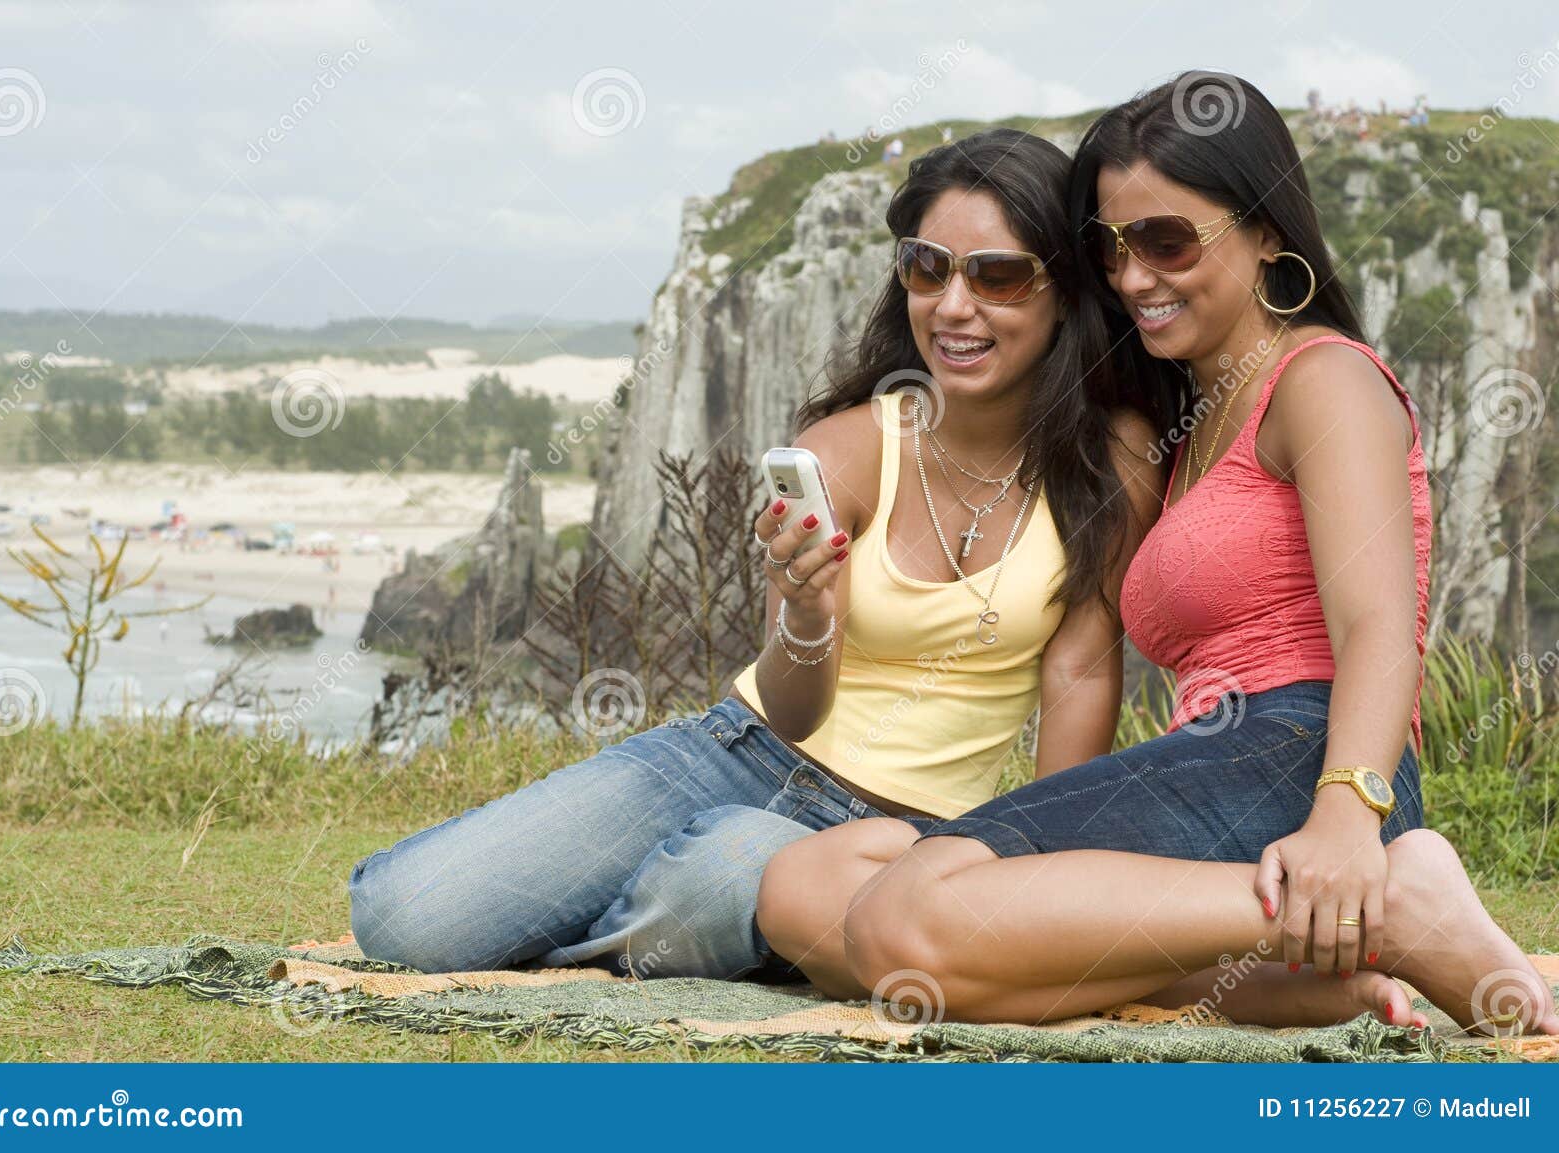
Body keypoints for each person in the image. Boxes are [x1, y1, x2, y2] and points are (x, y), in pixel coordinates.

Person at [756, 72, 1559, 1037]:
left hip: (1305, 751)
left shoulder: (1325, 381)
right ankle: (1294, 970)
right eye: (1112, 247)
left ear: (1267, 235)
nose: (1135, 276)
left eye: (1168, 241)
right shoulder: (1189, 422)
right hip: (1217, 759)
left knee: (901, 921)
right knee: (803, 888)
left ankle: (1385, 900)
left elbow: (1382, 625)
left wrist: (1348, 815)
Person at [347, 128, 1166, 979]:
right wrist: (807, 612)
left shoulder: (1115, 461)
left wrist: (1039, 863)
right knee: (403, 918)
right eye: (927, 268)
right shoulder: (844, 450)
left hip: (909, 839)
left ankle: (641, 919)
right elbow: (793, 711)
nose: (953, 306)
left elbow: (1079, 675)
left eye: (997, 276)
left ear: (1066, 292)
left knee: (726, 866)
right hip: (739, 753)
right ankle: (659, 927)